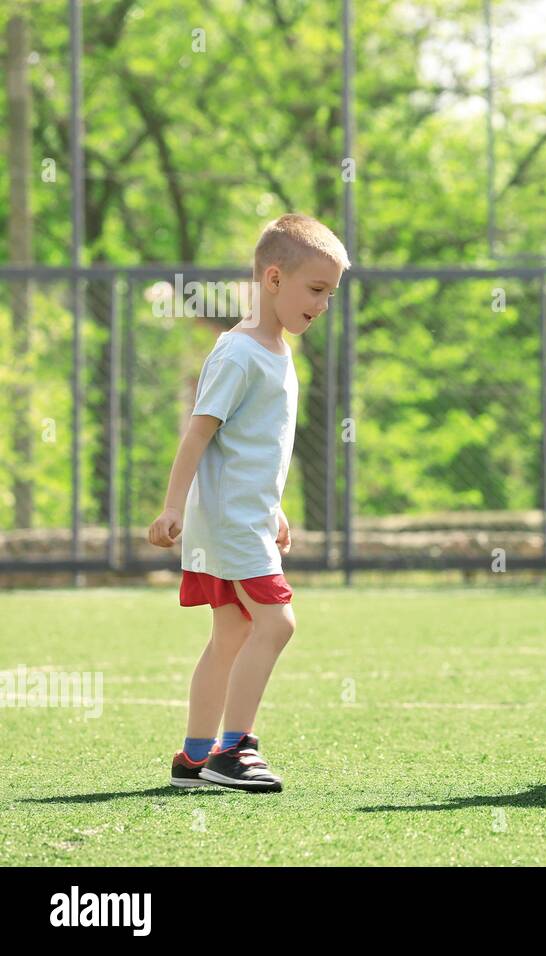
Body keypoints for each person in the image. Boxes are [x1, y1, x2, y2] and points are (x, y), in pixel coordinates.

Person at [148, 214, 349, 792]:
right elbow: (199, 433)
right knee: (277, 622)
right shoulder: (238, 353)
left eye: (331, 294)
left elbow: (251, 448)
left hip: (245, 516)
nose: (323, 304)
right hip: (229, 522)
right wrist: (172, 507)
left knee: (232, 633)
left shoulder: (276, 350)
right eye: (316, 290)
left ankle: (193, 757)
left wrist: (274, 506)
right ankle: (234, 750)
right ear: (274, 278)